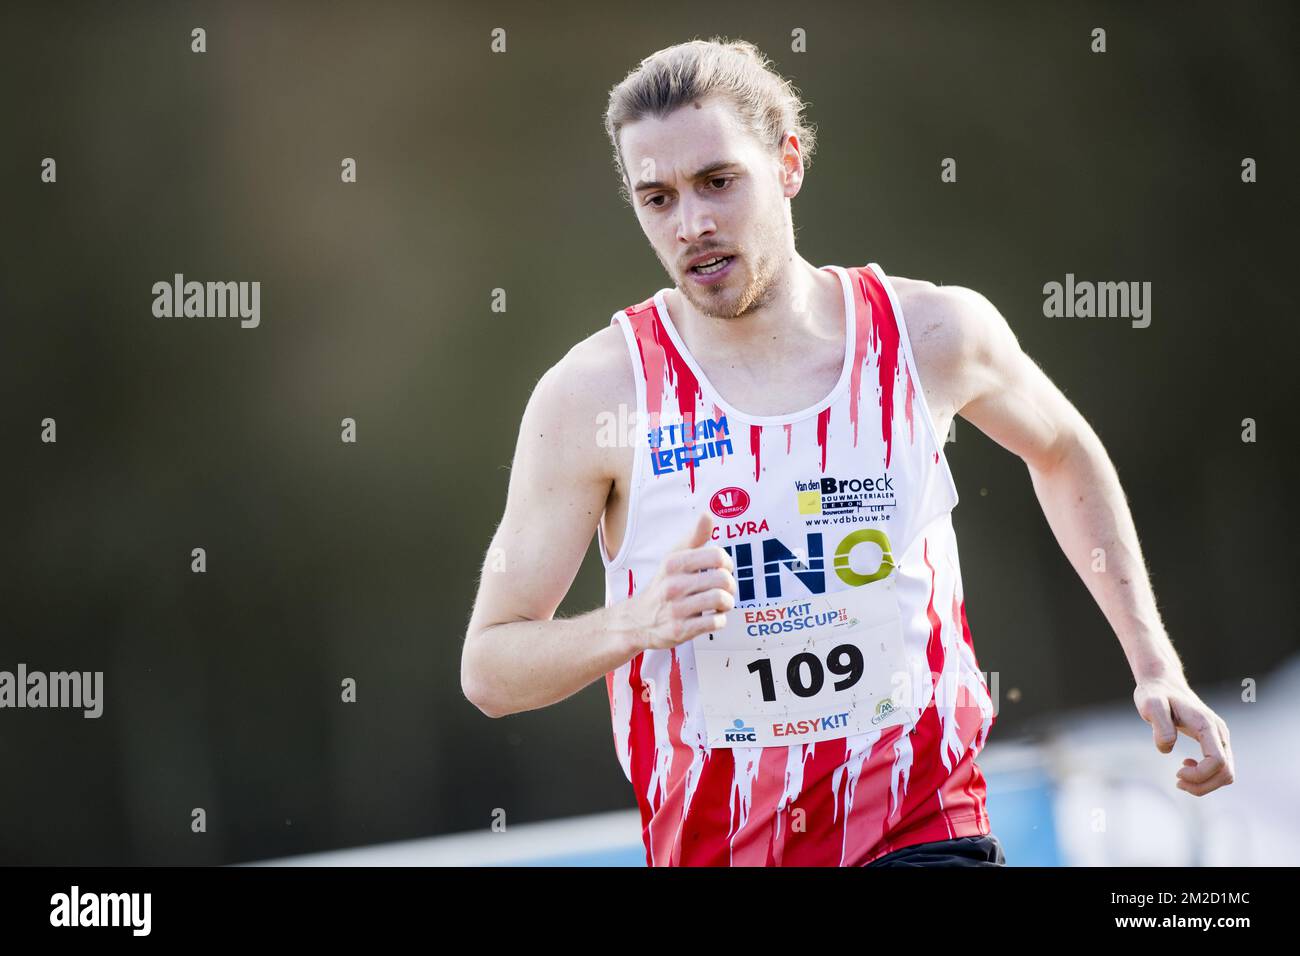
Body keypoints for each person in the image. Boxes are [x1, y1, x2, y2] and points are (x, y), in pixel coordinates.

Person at [460, 37, 1234, 867]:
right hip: (719, 849)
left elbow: (1064, 451)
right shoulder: (595, 396)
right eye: (658, 198)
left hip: (924, 827)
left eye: (719, 182)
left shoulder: (932, 335)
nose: (693, 224)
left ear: (788, 162)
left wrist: (1155, 664)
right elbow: (492, 668)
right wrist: (631, 624)